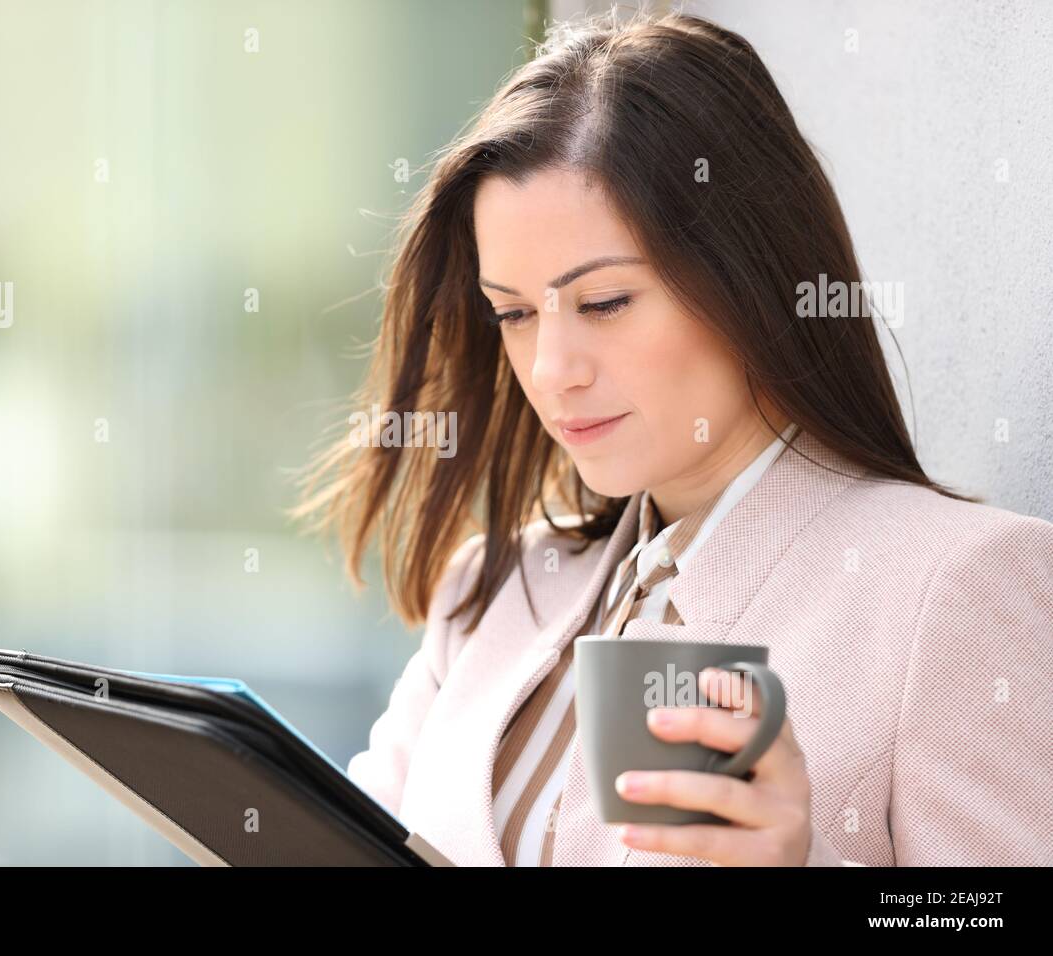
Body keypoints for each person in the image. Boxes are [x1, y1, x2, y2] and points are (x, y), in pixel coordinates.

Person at [291, 9, 1053, 866]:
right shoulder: (495, 590)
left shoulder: (955, 586)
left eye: (605, 303)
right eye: (512, 313)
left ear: (750, 276)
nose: (551, 371)